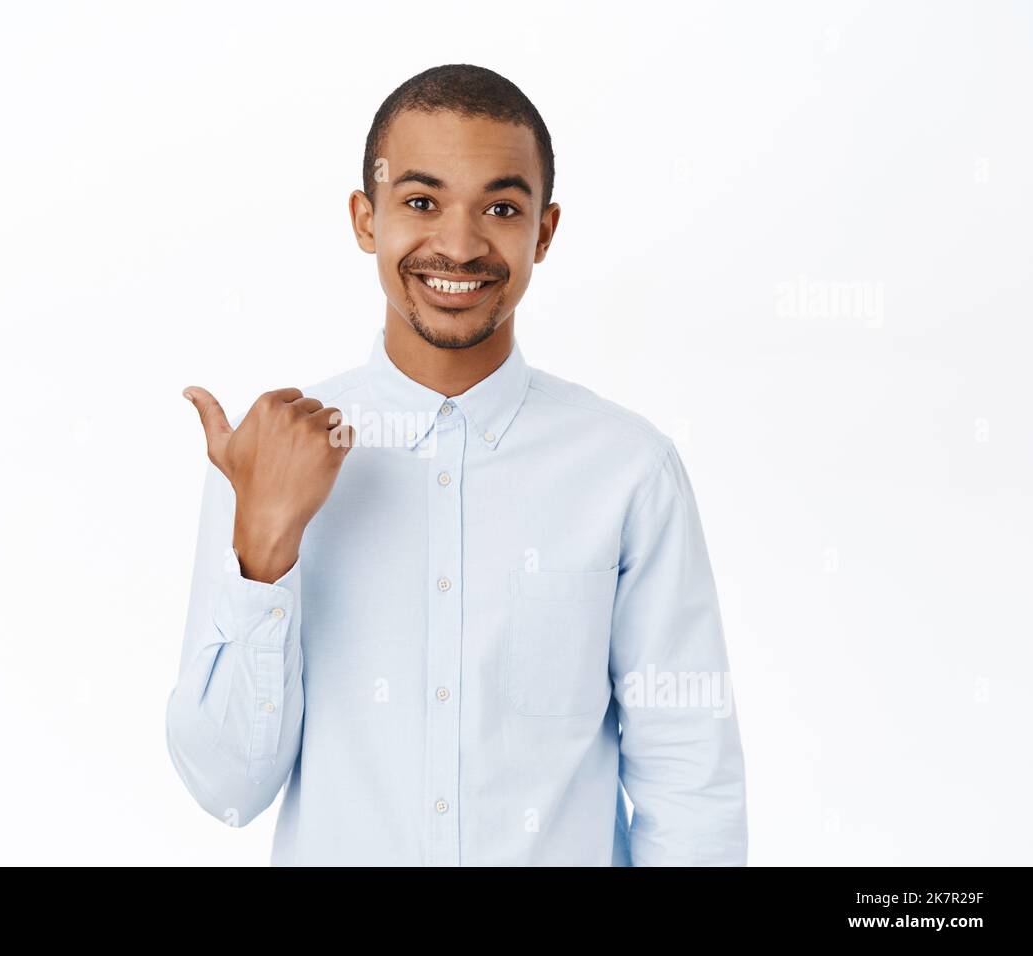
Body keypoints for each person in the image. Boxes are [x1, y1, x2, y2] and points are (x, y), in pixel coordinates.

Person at [167, 63, 747, 866]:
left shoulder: (627, 470)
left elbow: (690, 781)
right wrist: (266, 545)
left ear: (542, 232)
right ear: (365, 219)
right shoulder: (268, 458)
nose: (460, 244)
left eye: (501, 208)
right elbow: (227, 787)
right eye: (421, 201)